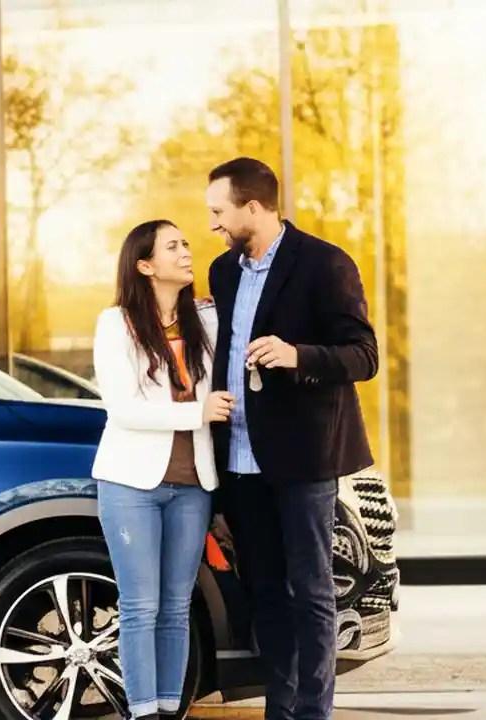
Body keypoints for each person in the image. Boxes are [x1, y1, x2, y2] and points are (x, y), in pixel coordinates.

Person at [204, 157, 378, 720]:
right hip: (239, 457)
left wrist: (297, 355)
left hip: (304, 460)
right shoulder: (222, 271)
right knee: (266, 595)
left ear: (252, 207)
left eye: (219, 211)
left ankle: (313, 713)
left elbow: (364, 356)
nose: (213, 224)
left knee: (311, 592)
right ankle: (280, 709)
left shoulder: (326, 264)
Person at [91, 219, 236, 720]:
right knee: (140, 607)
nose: (186, 251)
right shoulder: (117, 324)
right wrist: (196, 411)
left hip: (193, 485)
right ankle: (142, 712)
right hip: (130, 483)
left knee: (177, 608)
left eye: (186, 243)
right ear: (145, 265)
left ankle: (169, 710)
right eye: (172, 246)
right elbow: (123, 409)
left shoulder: (206, 321)